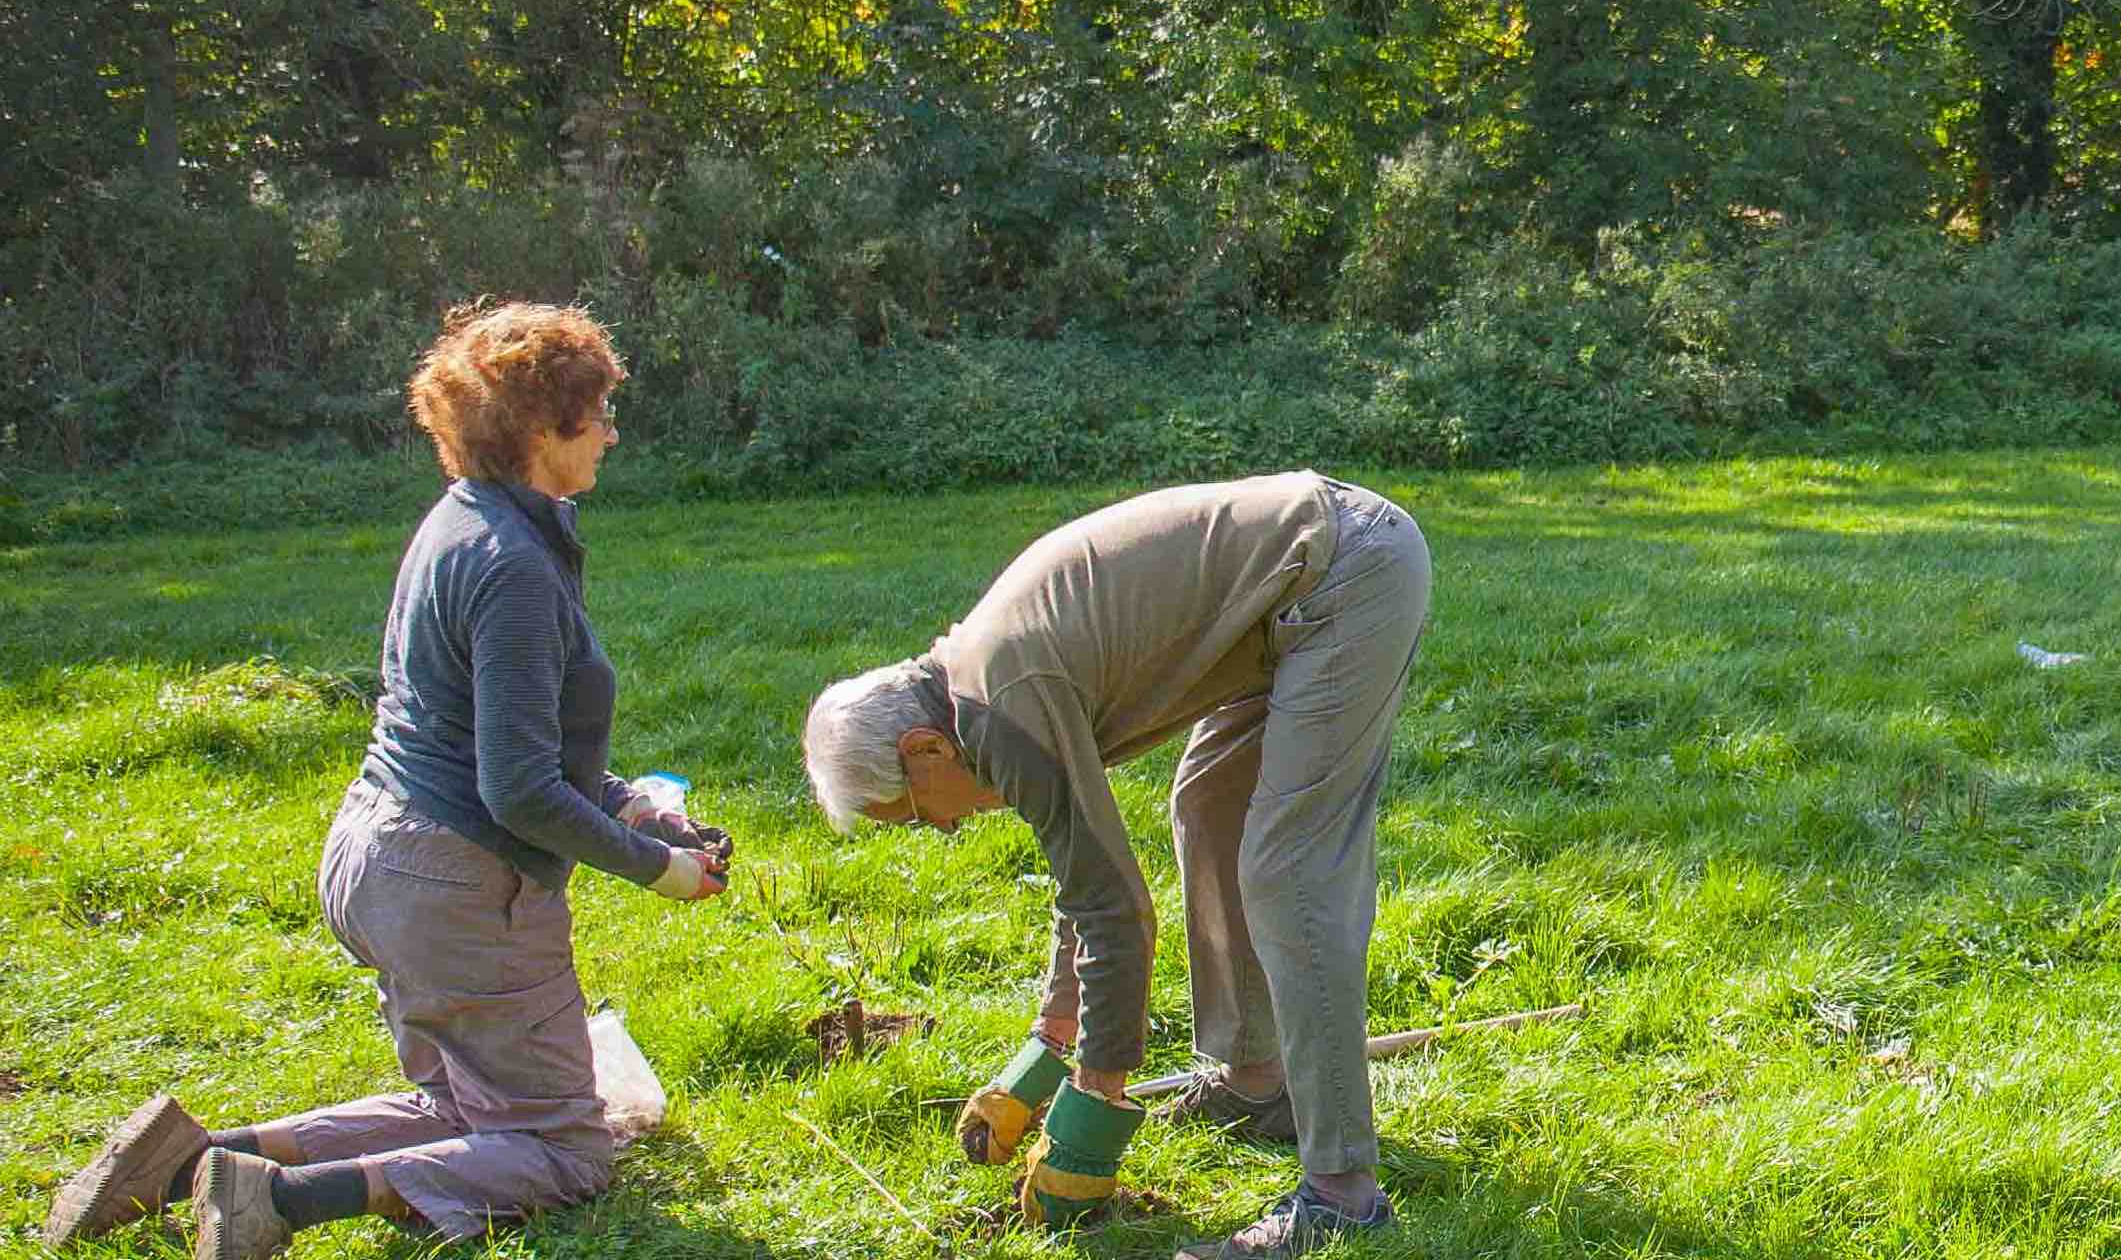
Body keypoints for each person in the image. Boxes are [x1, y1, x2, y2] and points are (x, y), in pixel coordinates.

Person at [41, 302, 731, 1260]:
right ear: (543, 431)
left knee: (460, 1102)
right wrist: (659, 869)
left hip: (378, 852)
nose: (613, 433)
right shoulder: (514, 564)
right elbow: (520, 791)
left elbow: (487, 731)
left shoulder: (465, 520)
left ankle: (191, 1163)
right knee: (565, 1147)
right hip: (456, 887)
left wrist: (627, 801)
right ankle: (283, 1202)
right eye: (600, 414)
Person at [802, 471, 1430, 1260]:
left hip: (1345, 570)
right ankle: (1257, 1085)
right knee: (1207, 808)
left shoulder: (1003, 702)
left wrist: (1092, 1112)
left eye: (923, 812)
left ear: (921, 749)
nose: (949, 825)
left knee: (1288, 870)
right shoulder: (977, 695)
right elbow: (1084, 876)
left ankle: (1342, 1196)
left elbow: (1114, 913)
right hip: (1287, 598)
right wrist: (1048, 1046)